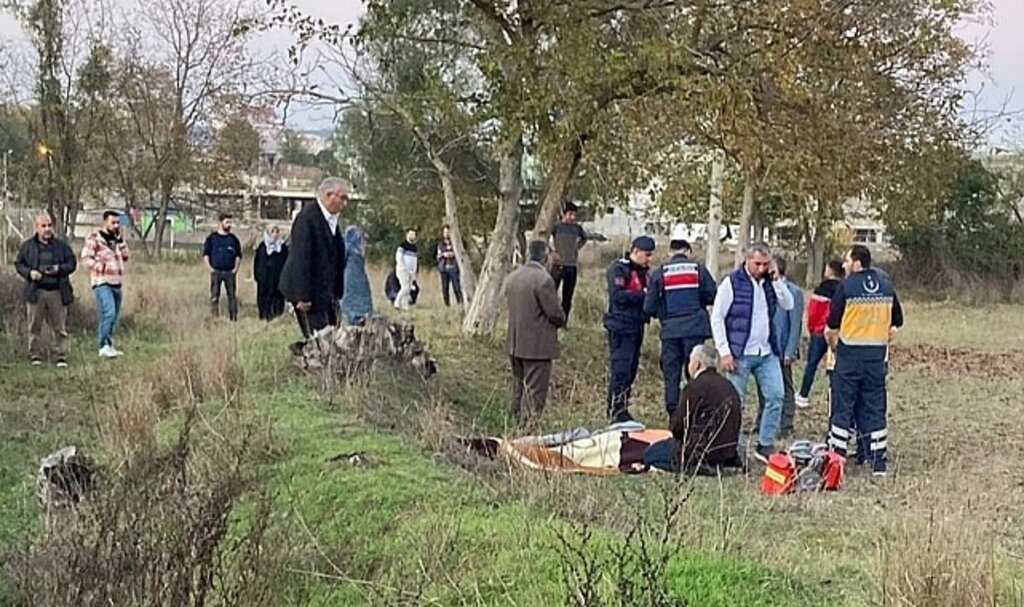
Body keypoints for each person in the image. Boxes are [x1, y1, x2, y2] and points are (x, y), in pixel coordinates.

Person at [710, 243, 795, 462]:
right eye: (757, 263)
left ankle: (765, 443)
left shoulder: (770, 282)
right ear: (747, 260)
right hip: (740, 352)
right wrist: (724, 351)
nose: (761, 268)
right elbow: (718, 317)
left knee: (776, 395)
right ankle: (732, 448)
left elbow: (788, 303)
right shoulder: (732, 283)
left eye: (765, 264)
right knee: (736, 401)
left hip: (766, 350)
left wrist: (776, 279)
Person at [826, 245, 903, 476]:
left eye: (847, 261)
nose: (844, 265)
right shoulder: (887, 286)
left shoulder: (846, 286)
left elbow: (831, 326)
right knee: (875, 409)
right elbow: (897, 320)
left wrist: (835, 346)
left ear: (857, 263)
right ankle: (878, 462)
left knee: (842, 409)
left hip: (849, 358)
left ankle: (836, 462)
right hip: (876, 359)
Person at [643, 228, 717, 419]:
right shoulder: (698, 268)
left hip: (671, 332)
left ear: (670, 252)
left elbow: (649, 305)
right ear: (688, 251)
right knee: (696, 371)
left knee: (671, 374)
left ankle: (674, 414)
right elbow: (712, 295)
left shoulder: (661, 272)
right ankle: (696, 412)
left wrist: (663, 314)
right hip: (695, 330)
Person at [643, 342, 744, 474]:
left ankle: (697, 467)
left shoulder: (695, 387)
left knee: (650, 453)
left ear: (697, 364)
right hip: (726, 453)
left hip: (699, 451)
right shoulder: (729, 386)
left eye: (690, 361)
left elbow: (678, 426)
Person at [505, 240, 567, 428]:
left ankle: (512, 426)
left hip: (515, 342)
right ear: (545, 256)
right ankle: (528, 432)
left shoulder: (513, 277)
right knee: (534, 393)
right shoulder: (543, 280)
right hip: (537, 346)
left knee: (518, 390)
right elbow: (555, 314)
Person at [279, 177, 348, 338]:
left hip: (327, 292)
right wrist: (303, 296)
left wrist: (337, 291)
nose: (345, 204)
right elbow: (300, 258)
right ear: (328, 195)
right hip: (309, 294)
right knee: (318, 339)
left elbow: (334, 256)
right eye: (342, 198)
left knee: (334, 334)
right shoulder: (307, 219)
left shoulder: (331, 221)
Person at [15, 213, 77, 367]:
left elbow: (72, 263)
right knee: (34, 326)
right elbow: (19, 264)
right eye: (44, 226)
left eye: (49, 225)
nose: (47, 229)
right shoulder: (27, 246)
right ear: (37, 228)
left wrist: (59, 269)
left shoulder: (61, 247)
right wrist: (30, 273)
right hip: (36, 291)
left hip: (57, 291)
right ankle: (35, 355)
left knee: (60, 327)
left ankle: (60, 355)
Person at [605, 235, 656, 423]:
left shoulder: (645, 273)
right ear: (635, 252)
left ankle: (623, 406)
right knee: (621, 369)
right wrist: (643, 296)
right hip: (620, 326)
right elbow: (618, 296)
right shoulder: (619, 269)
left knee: (631, 370)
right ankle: (615, 409)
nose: (650, 259)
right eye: (647, 254)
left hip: (637, 326)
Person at [755, 256, 804, 438]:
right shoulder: (763, 289)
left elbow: (795, 323)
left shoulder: (794, 292)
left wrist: (790, 350)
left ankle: (786, 423)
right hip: (765, 347)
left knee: (785, 387)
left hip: (782, 348)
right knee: (763, 386)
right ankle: (762, 421)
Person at [81, 210, 130, 358]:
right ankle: (103, 346)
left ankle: (109, 343)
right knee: (108, 312)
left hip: (116, 281)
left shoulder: (117, 239)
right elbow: (85, 258)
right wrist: (98, 266)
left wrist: (121, 241)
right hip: (102, 281)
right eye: (113, 222)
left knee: (114, 316)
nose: (116, 225)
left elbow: (126, 256)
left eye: (117, 223)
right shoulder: (95, 238)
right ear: (105, 222)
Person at [796, 260, 844, 407]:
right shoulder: (845, 288)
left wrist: (812, 328)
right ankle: (835, 396)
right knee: (837, 366)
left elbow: (814, 311)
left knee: (812, 364)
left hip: (819, 331)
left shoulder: (821, 289)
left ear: (830, 271)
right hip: (838, 332)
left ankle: (803, 395)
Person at [549, 202, 588, 323]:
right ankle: (549, 318)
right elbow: (544, 237)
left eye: (574, 215)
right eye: (570, 214)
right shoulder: (556, 227)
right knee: (551, 293)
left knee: (568, 296)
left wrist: (576, 247)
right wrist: (551, 252)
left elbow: (584, 238)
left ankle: (563, 321)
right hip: (558, 265)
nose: (572, 218)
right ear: (563, 214)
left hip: (571, 266)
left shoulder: (577, 228)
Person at [203, 212, 243, 321]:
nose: (229, 224)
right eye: (227, 222)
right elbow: (206, 255)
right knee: (215, 296)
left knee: (232, 296)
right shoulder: (212, 238)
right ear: (220, 223)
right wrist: (211, 269)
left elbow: (238, 255)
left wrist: (235, 269)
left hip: (230, 272)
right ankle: (215, 318)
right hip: (216, 272)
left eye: (230, 222)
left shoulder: (233, 239)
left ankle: (233, 318)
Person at [253, 225, 289, 321]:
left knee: (277, 298)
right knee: (263, 297)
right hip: (264, 279)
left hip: (278, 279)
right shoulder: (262, 246)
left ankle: (277, 316)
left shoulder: (283, 248)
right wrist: (257, 276)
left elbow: (286, 263)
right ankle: (264, 316)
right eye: (272, 232)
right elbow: (257, 262)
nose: (275, 234)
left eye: (277, 232)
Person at [340, 225, 373, 326]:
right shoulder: (349, 249)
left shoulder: (353, 249)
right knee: (351, 296)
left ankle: (359, 315)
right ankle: (354, 316)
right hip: (350, 278)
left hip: (358, 278)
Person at [436, 225, 463, 307]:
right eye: (445, 232)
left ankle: (460, 304)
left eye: (448, 232)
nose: (446, 234)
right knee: (445, 288)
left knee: (456, 287)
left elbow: (461, 253)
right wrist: (444, 254)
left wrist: (453, 254)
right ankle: (447, 305)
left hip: (454, 267)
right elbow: (438, 256)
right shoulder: (441, 244)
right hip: (444, 268)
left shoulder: (455, 243)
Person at [394, 228, 418, 311]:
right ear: (407, 235)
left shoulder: (415, 248)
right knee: (405, 288)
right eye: (411, 234)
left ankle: (405, 305)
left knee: (408, 289)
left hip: (411, 272)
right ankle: (397, 302)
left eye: (414, 234)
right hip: (403, 270)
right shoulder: (402, 246)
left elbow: (415, 261)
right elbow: (399, 258)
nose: (412, 236)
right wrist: (403, 268)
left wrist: (414, 272)